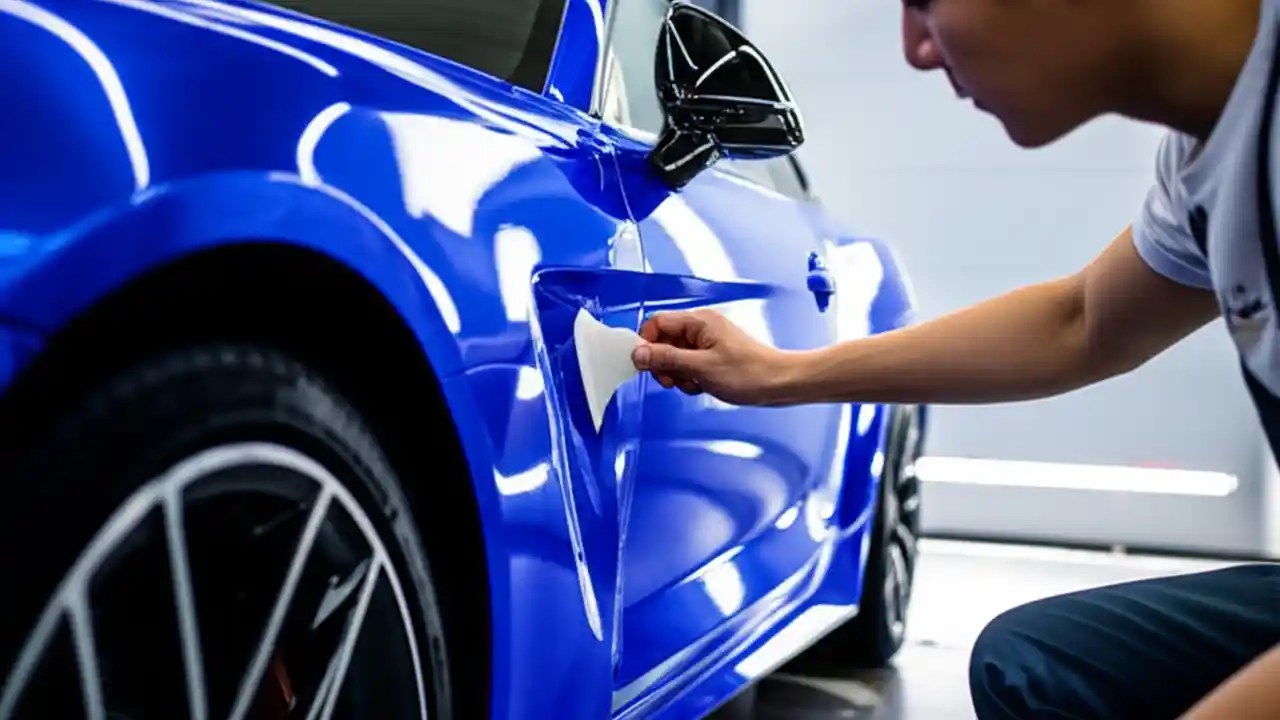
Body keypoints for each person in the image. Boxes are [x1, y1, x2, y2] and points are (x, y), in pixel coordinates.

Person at [629, 0, 1280, 717]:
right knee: (1030, 663)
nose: (916, 49)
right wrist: (777, 374)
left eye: (926, 2)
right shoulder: (1209, 158)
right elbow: (1082, 321)